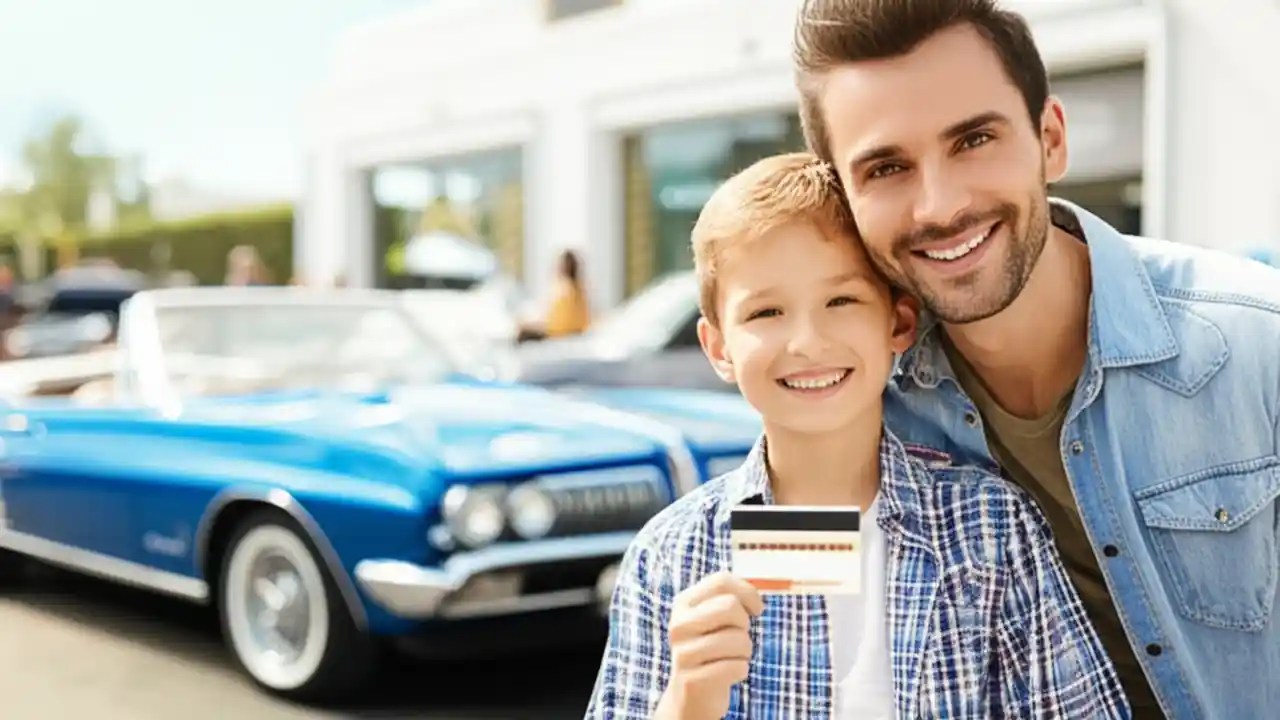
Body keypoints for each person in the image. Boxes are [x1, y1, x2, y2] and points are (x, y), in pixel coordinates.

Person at [791, 1, 1280, 717]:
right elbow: (779, 593)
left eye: (974, 140)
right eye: (887, 167)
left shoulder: (1259, 344)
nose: (940, 205)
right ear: (844, 197)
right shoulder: (861, 405)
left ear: (1050, 138)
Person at [584, 152, 1128, 719]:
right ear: (719, 347)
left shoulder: (991, 530)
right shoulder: (671, 557)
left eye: (841, 300)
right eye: (767, 312)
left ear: (898, 322)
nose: (808, 342)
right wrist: (686, 702)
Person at [543, 248, 590, 337]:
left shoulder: (563, 287)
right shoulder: (580, 288)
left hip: (559, 331)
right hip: (574, 330)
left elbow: (554, 321)